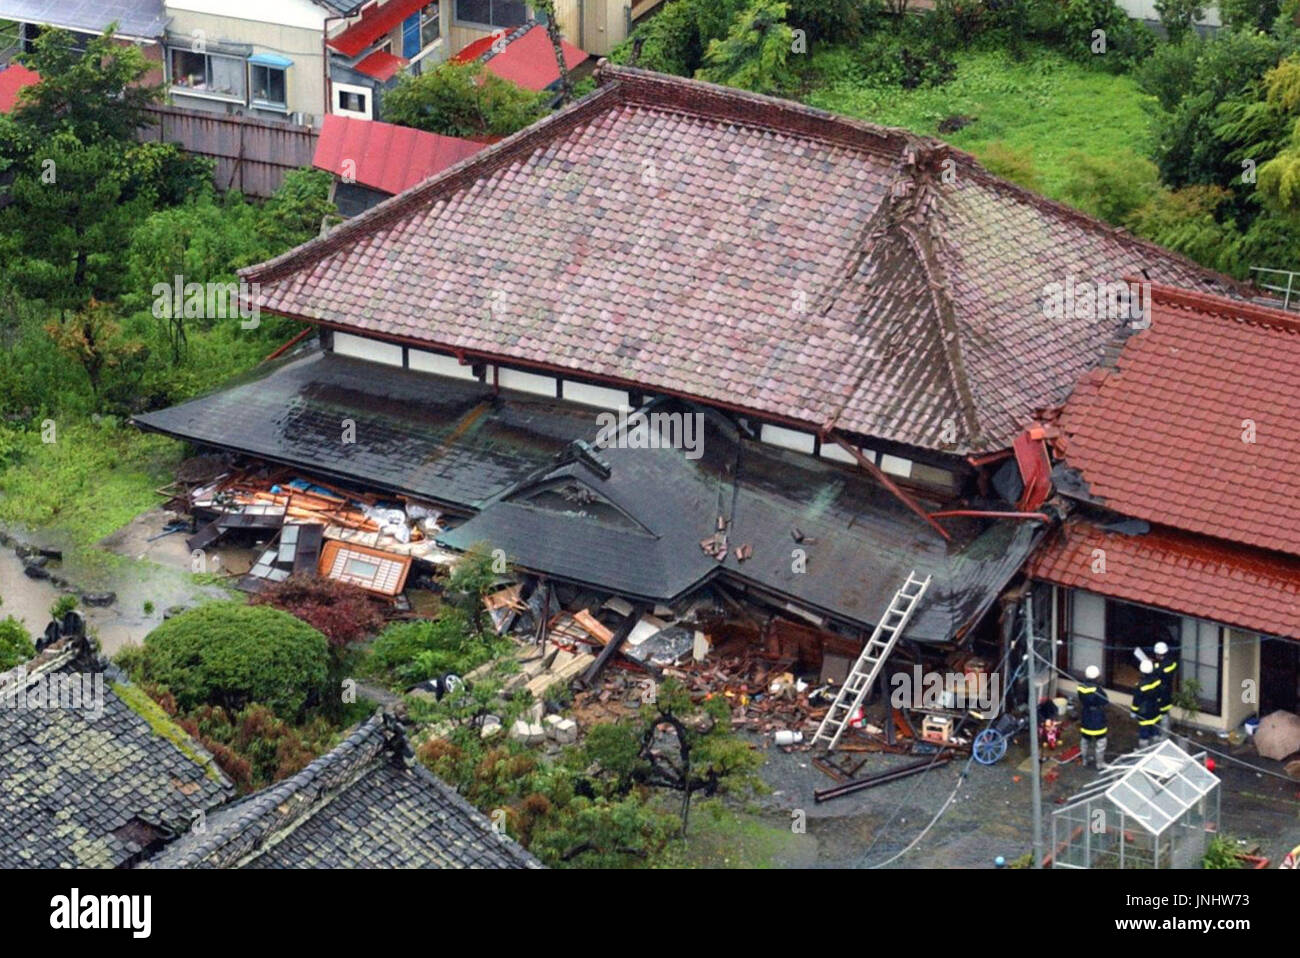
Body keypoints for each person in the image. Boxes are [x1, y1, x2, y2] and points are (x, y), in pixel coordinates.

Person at [1077, 665, 1109, 768]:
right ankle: (1099, 763)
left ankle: (1085, 760)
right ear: (1097, 677)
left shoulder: (1080, 687)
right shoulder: (1098, 690)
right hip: (1097, 717)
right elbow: (1105, 701)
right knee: (1101, 741)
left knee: (1085, 739)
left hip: (1086, 715)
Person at [1132, 659, 1161, 744]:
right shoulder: (1157, 681)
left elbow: (1136, 701)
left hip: (1144, 711)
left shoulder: (1140, 685)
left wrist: (1134, 711)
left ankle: (1144, 751)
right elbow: (1160, 694)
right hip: (1155, 709)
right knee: (1155, 730)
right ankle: (1155, 747)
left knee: (1144, 733)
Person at [1152, 641, 1177, 735]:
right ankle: (1165, 733)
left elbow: (1157, 673)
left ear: (1158, 654)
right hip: (1167, 692)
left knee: (1161, 715)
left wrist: (1153, 666)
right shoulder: (1171, 662)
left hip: (1161, 693)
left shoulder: (1160, 667)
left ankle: (1163, 735)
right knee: (1165, 713)